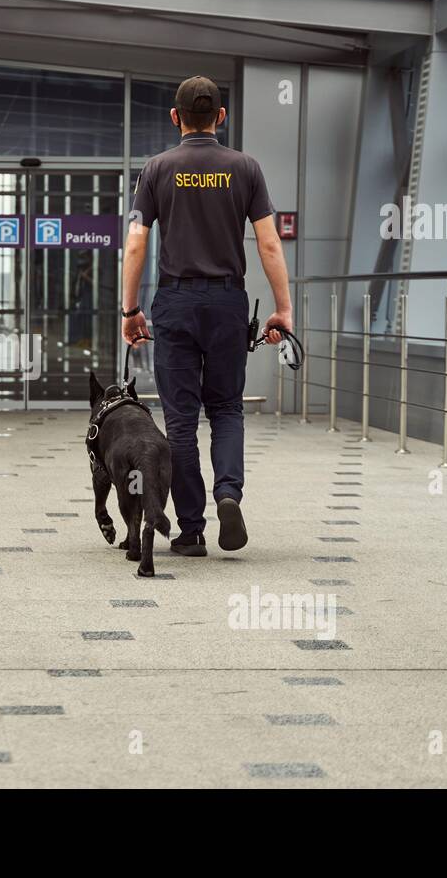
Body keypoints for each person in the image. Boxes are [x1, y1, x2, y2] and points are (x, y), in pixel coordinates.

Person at [120, 76, 292, 555]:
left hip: (175, 303)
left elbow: (136, 242)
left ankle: (191, 529)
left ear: (176, 118)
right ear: (221, 117)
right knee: (226, 408)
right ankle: (228, 494)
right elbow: (269, 242)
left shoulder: (156, 169)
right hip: (227, 303)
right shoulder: (246, 168)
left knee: (180, 421)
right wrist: (283, 308)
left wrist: (130, 309)